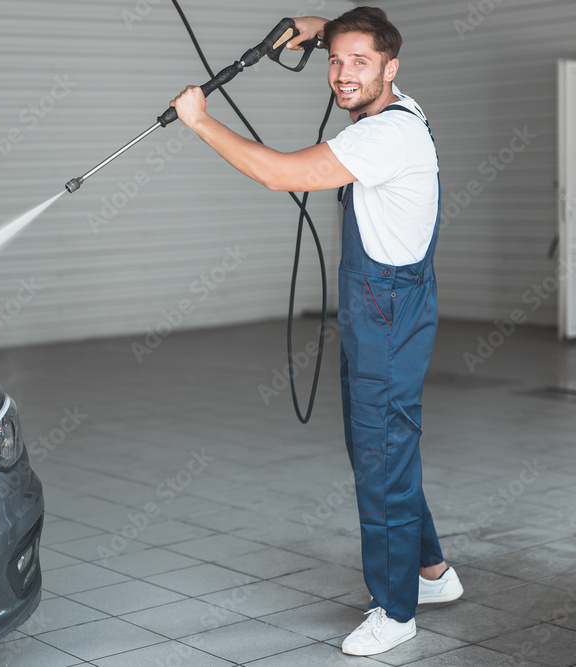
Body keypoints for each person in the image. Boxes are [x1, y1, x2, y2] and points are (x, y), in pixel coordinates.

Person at [170, 6, 463, 657]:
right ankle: (432, 572)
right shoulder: (401, 107)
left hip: (387, 312)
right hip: (387, 305)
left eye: (360, 62)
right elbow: (357, 43)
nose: (342, 73)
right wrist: (320, 29)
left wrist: (200, 120)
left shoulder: (383, 137)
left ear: (392, 67)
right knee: (382, 449)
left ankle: (395, 611)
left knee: (381, 457)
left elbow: (280, 174)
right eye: (335, 60)